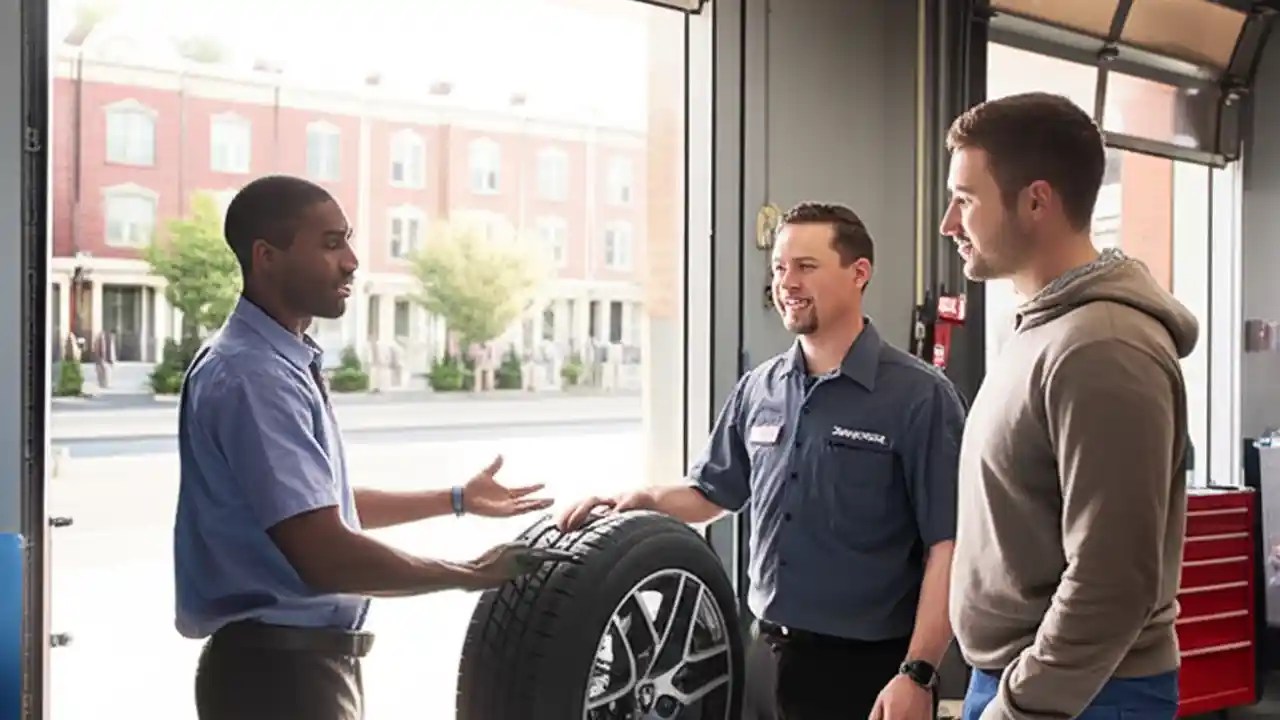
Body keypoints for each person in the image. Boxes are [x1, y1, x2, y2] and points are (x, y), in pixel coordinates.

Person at [557, 201, 967, 720]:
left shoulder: (920, 397)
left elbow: (949, 546)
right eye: (778, 267)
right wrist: (638, 501)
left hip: (868, 672)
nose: (786, 282)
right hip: (764, 656)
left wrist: (919, 673)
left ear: (859, 273)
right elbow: (712, 493)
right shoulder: (761, 389)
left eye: (806, 267)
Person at [173, 175, 559, 720]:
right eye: (330, 244)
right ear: (266, 256)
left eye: (348, 241)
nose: (352, 261)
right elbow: (323, 551)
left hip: (298, 672)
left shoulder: (275, 362)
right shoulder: (252, 375)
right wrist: (470, 573)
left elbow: (314, 508)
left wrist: (455, 498)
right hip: (278, 682)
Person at [939, 93, 1199, 720]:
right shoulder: (1043, 331)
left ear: (1036, 202)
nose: (949, 222)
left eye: (966, 200)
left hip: (1080, 696)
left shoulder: (1103, 347)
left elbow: (1113, 582)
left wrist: (1021, 707)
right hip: (1026, 682)